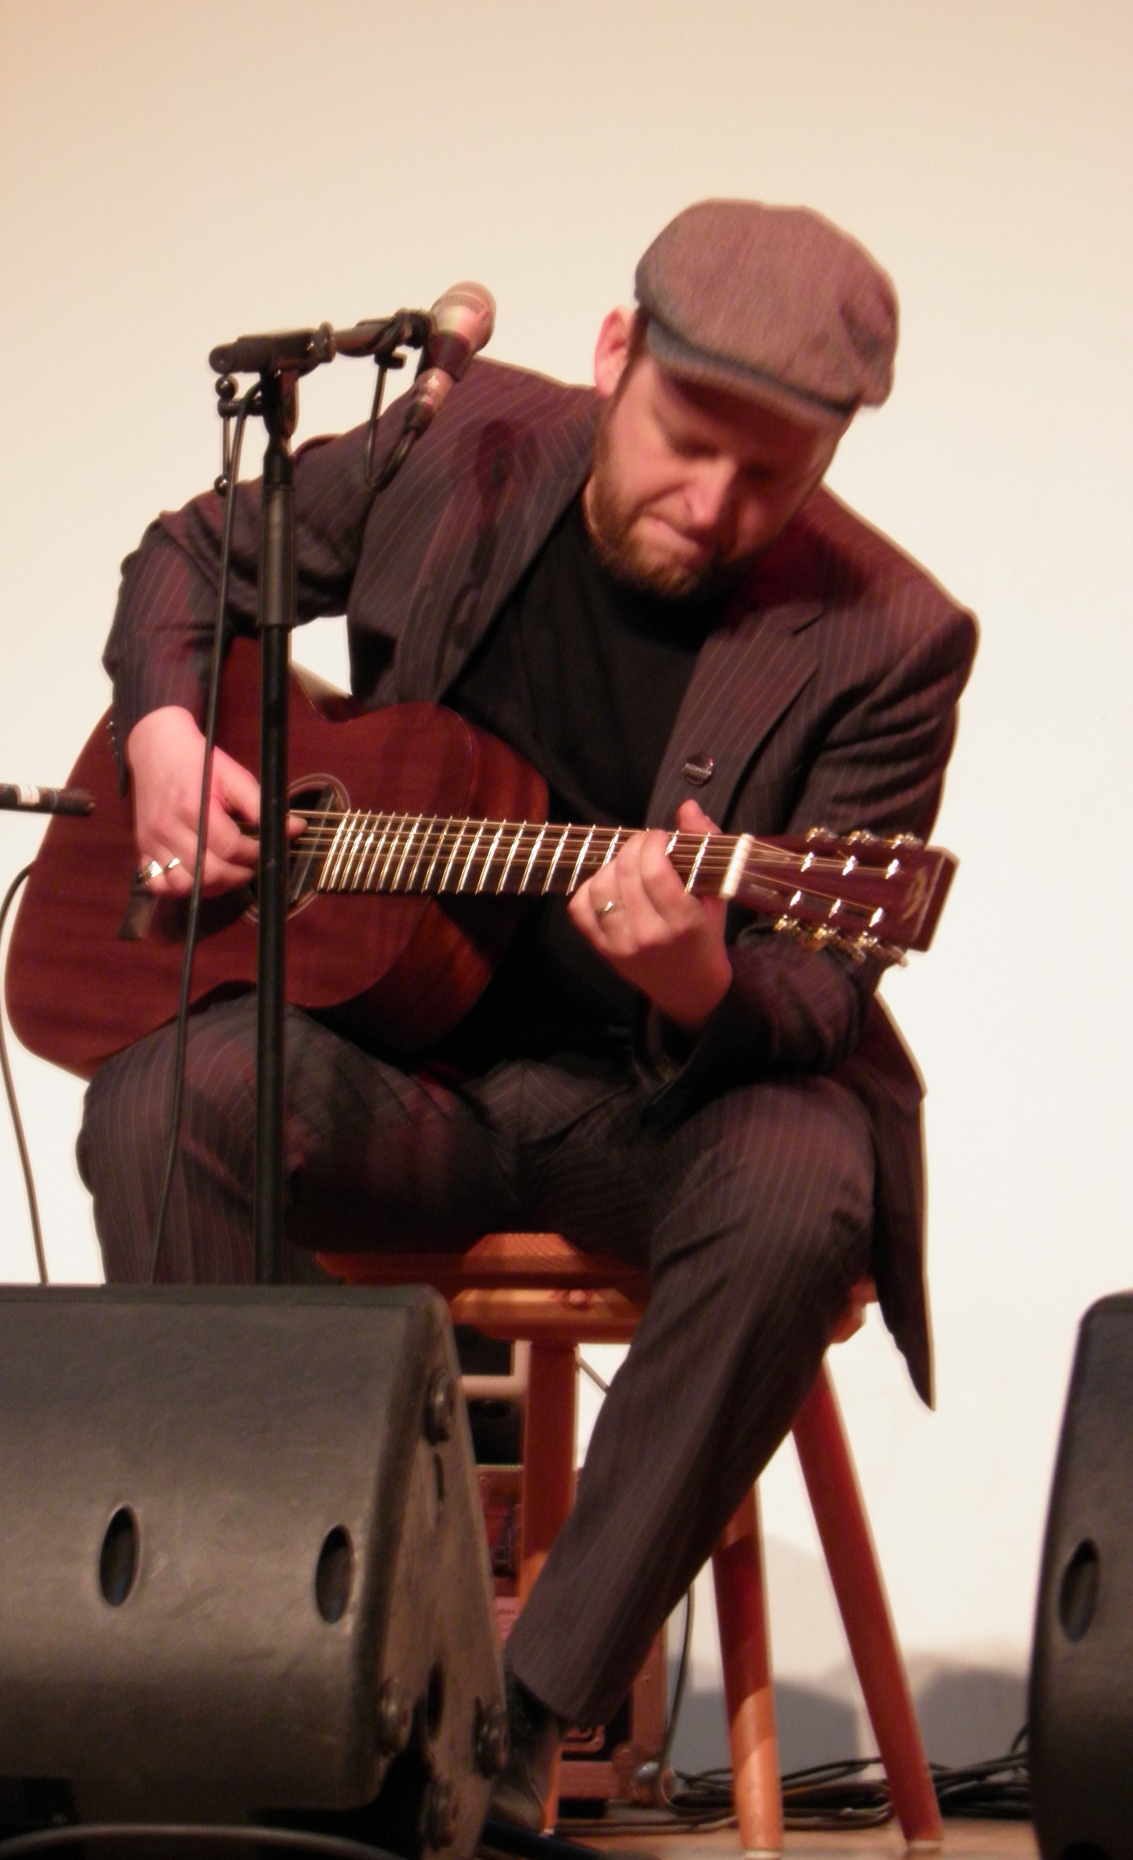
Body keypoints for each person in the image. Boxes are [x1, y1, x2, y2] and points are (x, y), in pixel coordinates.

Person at [78, 200, 977, 1826]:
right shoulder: (465, 446)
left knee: (805, 1180)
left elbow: (819, 988)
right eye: (690, 445)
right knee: (163, 1096)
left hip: (646, 1112)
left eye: (774, 478)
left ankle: (514, 1719)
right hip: (397, 1073)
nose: (715, 508)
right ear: (615, 357)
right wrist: (158, 725)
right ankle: (256, 1665)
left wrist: (703, 978)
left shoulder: (890, 640)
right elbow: (190, 557)